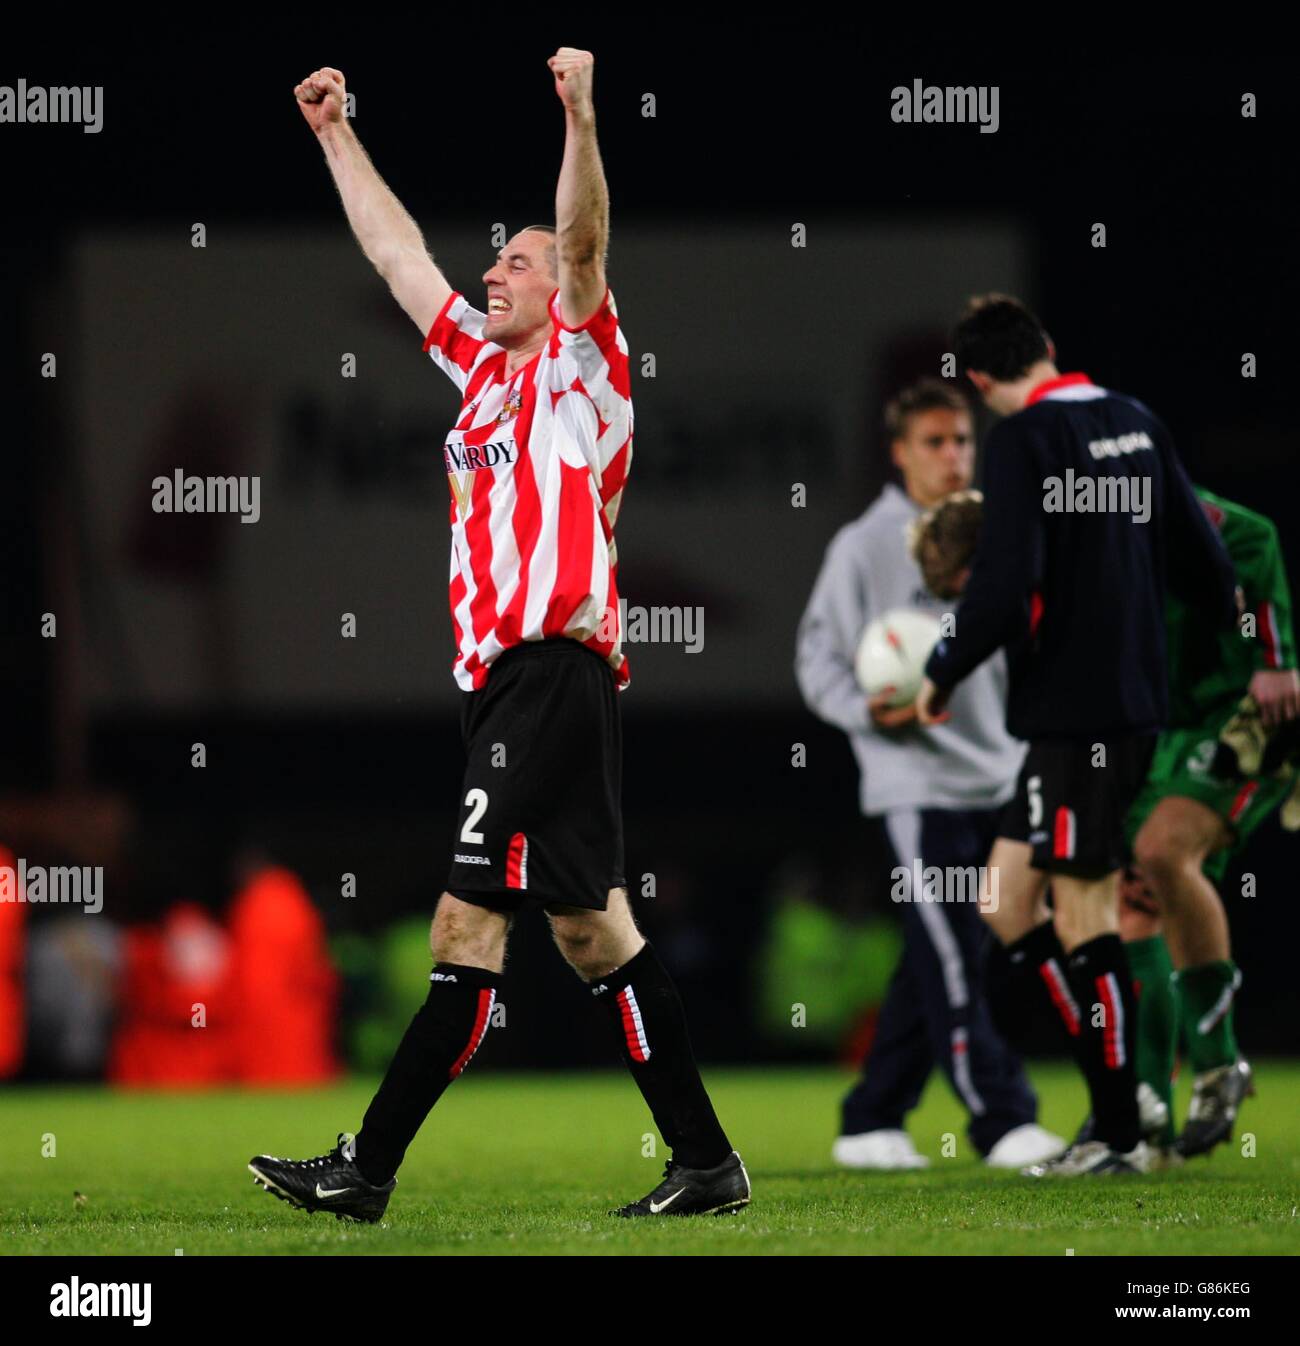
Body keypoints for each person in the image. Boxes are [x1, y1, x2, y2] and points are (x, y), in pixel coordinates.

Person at [249, 51, 749, 1224]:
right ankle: (707, 1162)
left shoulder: (582, 366)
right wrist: (336, 134)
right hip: (511, 683)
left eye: (512, 260)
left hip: (548, 669)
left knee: (466, 921)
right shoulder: (478, 370)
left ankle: (364, 1169)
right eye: (497, 260)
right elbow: (394, 252)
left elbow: (582, 244)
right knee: (589, 928)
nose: (497, 270)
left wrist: (580, 115)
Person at [913, 295, 1238, 1176]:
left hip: (1078, 714)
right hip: (1116, 706)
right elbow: (1205, 561)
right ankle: (1122, 1087)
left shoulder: (1023, 439)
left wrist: (940, 670)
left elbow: (1004, 585)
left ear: (980, 381)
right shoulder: (1135, 421)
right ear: (1048, 349)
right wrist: (1221, 650)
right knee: (1006, 904)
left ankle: (1117, 1130)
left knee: (1082, 911)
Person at [796, 378, 1063, 1171]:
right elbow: (817, 661)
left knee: (942, 956)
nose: (953, 456)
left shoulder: (999, 532)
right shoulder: (865, 546)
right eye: (935, 442)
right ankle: (1003, 1118)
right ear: (901, 453)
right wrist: (869, 713)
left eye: (963, 441)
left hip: (1001, 775)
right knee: (951, 953)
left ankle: (870, 1117)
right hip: (917, 788)